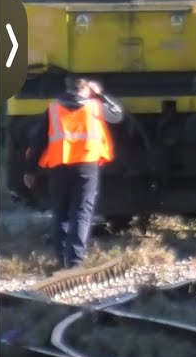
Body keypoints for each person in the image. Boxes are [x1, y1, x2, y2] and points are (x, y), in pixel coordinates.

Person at [23, 76, 125, 270]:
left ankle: (61, 259)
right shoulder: (95, 107)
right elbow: (117, 115)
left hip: (60, 166)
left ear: (67, 88)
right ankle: (74, 263)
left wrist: (30, 170)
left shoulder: (53, 109)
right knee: (81, 212)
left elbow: (38, 142)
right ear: (86, 89)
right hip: (86, 165)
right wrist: (101, 95)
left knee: (60, 211)